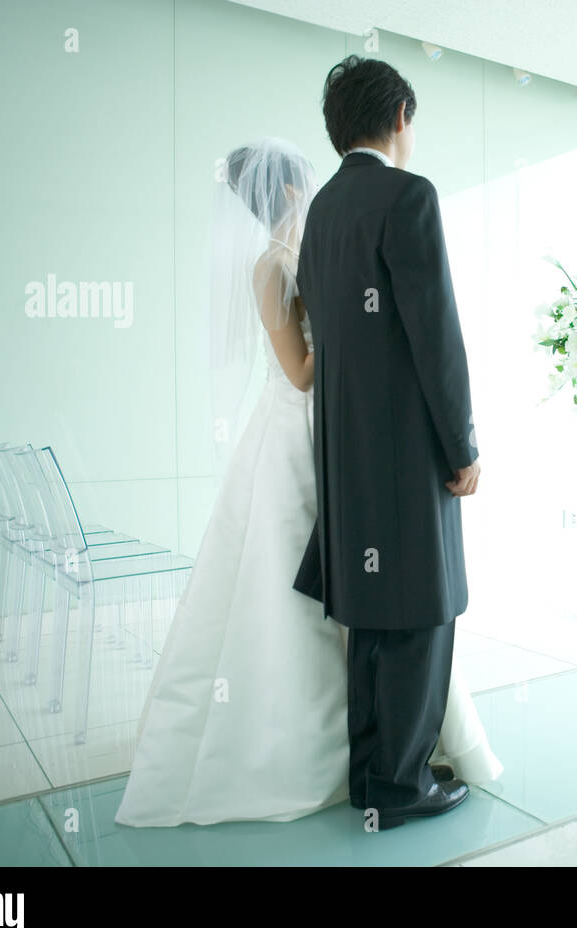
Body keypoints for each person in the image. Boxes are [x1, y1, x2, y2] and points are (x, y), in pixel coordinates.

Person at [114, 136, 499, 828]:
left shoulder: (322, 245)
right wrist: (348, 342)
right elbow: (297, 371)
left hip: (339, 431)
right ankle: (319, 754)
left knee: (367, 590)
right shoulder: (272, 266)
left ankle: (386, 755)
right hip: (295, 436)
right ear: (291, 193)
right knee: (300, 595)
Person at [293, 56, 482, 830]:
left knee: (371, 619)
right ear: (400, 114)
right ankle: (402, 789)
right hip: (408, 450)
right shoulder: (409, 196)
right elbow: (436, 334)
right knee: (422, 613)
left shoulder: (322, 213)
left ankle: (376, 774)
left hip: (344, 452)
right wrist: (462, 444)